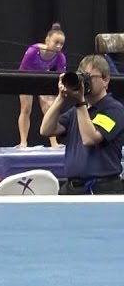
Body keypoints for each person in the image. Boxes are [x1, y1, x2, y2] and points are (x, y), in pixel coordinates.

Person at [39, 54, 124, 194]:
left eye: (89, 77)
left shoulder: (115, 110)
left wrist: (80, 102)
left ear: (105, 80)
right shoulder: (76, 111)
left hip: (101, 188)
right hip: (73, 187)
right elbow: (46, 130)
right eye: (82, 77)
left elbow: (90, 138)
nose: (85, 82)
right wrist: (61, 97)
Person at [18, 23, 66, 148]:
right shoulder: (33, 51)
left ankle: (54, 143)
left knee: (50, 110)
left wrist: (54, 95)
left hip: (42, 78)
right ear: (47, 40)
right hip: (26, 78)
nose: (59, 46)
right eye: (56, 42)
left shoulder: (60, 57)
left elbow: (61, 77)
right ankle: (23, 142)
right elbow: (22, 71)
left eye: (61, 44)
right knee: (26, 109)